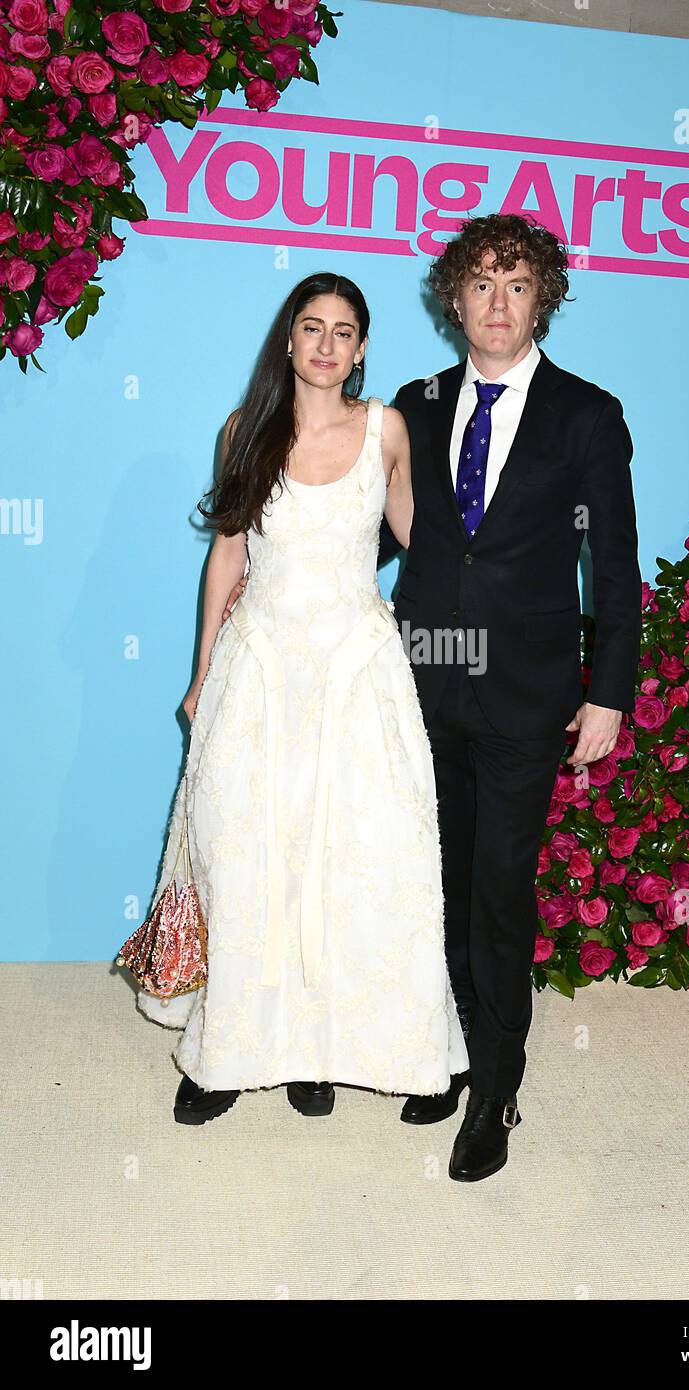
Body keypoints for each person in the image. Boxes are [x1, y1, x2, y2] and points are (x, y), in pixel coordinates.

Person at [130, 272, 469, 1125]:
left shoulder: (387, 429)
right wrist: (203, 673)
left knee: (356, 861)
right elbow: (228, 558)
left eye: (343, 331)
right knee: (249, 857)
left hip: (357, 669)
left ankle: (324, 1050)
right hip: (261, 668)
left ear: (361, 348)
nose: (326, 344)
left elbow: (421, 545)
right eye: (311, 327)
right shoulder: (244, 431)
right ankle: (231, 1055)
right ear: (289, 340)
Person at [377, 213, 642, 1180]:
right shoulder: (414, 402)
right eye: (481, 284)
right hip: (423, 684)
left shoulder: (587, 414)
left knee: (498, 890)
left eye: (518, 284)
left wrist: (608, 690)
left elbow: (613, 564)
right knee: (437, 882)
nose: (498, 302)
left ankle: (496, 1086)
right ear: (454, 297)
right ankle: (447, 1053)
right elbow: (379, 531)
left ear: (545, 300)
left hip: (529, 696)